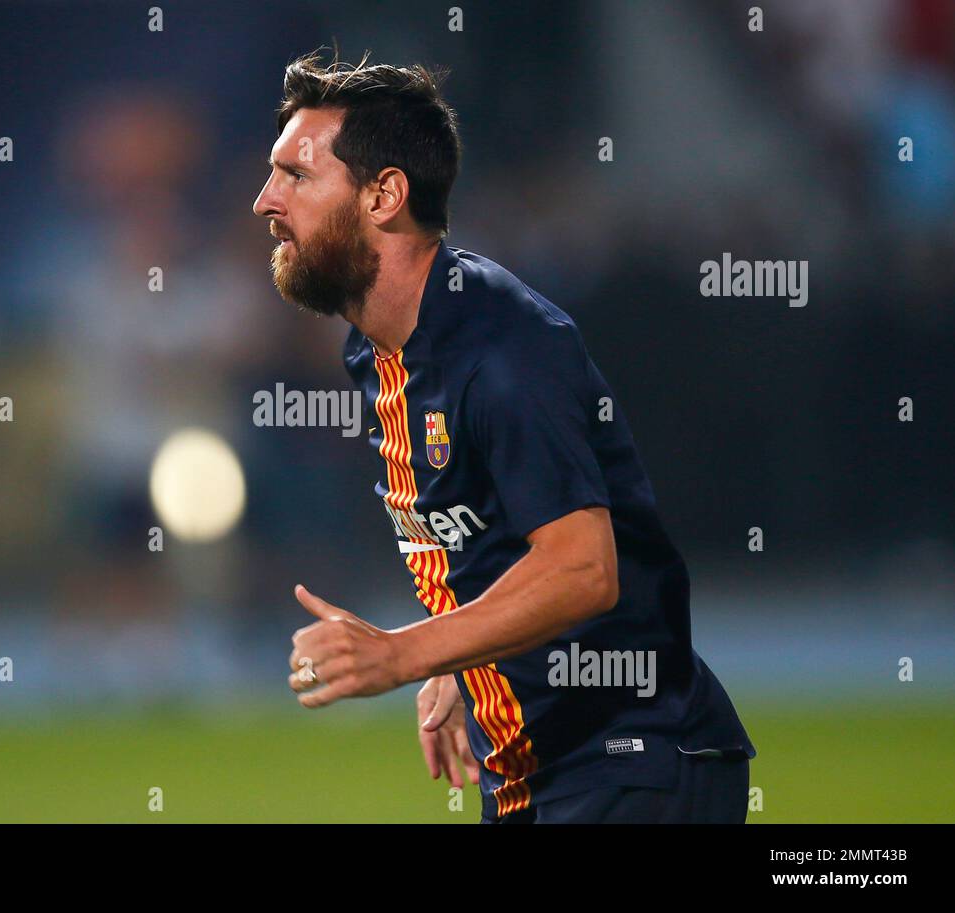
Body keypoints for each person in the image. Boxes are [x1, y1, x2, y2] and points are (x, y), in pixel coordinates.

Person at [252, 52, 755, 824]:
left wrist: (405, 651)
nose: (264, 201)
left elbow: (585, 569)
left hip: (630, 763)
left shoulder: (504, 349)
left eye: (295, 175)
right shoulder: (377, 351)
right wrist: (465, 663)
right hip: (536, 772)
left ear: (384, 194)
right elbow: (494, 541)